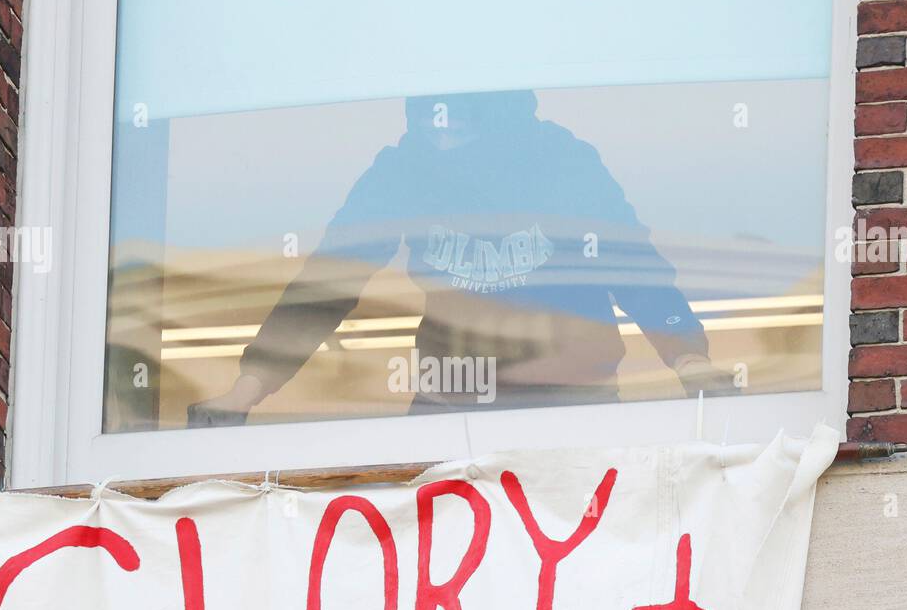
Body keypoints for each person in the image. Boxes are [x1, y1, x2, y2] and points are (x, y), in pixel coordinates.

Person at [188, 89, 732, 427]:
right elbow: (330, 280)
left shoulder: (564, 163)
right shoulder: (402, 172)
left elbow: (631, 264)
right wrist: (249, 388)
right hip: (449, 402)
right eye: (430, 121)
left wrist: (687, 357)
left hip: (570, 401)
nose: (442, 134)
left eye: (457, 125)